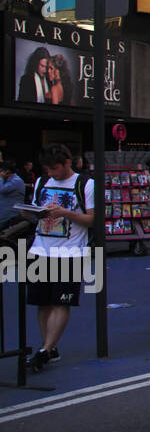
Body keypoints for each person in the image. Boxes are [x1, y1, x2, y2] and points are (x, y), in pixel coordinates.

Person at [23, 144, 96, 372]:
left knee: (61, 301)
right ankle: (48, 347)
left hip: (70, 251)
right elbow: (35, 212)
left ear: (67, 163)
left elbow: (92, 220)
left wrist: (65, 213)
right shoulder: (41, 182)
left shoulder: (85, 184)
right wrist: (29, 212)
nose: (52, 174)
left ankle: (45, 350)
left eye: (55, 168)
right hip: (41, 248)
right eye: (48, 169)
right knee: (42, 302)